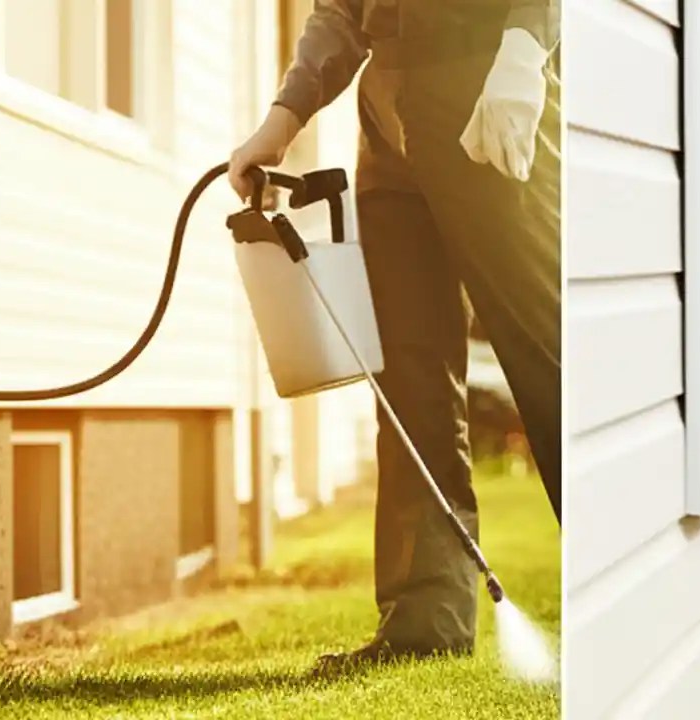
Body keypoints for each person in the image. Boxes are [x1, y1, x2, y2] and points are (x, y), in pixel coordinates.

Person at [226, 0, 561, 672]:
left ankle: (622, 573)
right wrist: (283, 117)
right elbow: (342, 11)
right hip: (387, 119)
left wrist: (525, 50)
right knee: (409, 381)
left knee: (547, 352)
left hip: (487, 87)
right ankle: (424, 620)